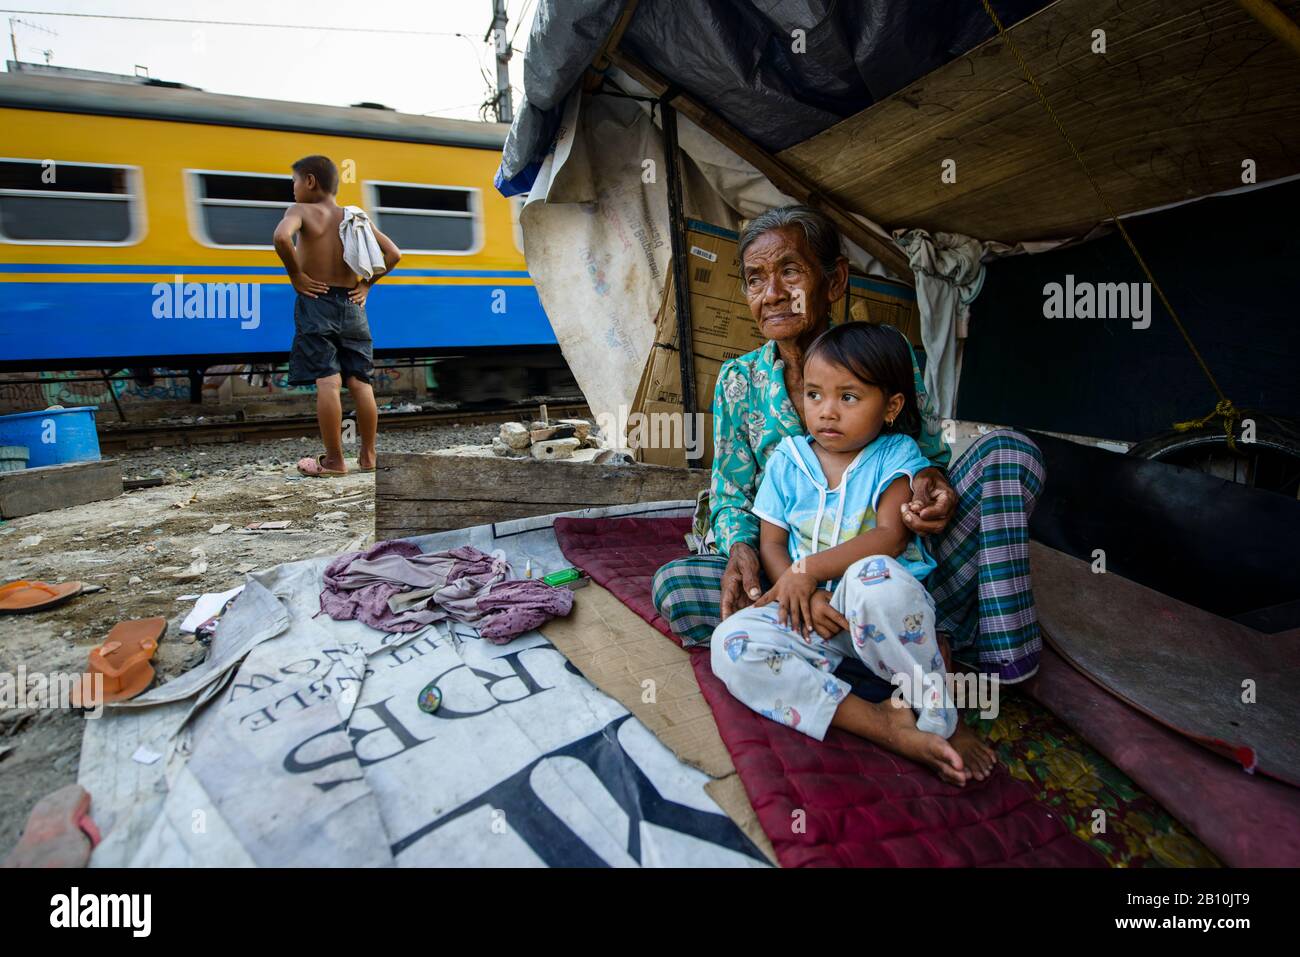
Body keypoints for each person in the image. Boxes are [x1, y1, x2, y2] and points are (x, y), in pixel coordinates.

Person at [653, 205, 1046, 784]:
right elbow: (733, 495)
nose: (773, 293)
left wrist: (931, 491)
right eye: (756, 279)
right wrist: (751, 557)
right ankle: (889, 689)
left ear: (834, 281)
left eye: (791, 271)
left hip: (886, 570)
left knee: (1006, 453)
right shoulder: (739, 381)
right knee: (680, 589)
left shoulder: (890, 354)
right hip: (788, 572)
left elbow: (927, 456)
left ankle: (962, 658)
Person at [711, 321, 965, 782]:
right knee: (730, 644)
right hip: (813, 613)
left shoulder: (896, 455)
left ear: (890, 407)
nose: (826, 412)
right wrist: (802, 593)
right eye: (814, 395)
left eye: (848, 398)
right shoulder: (788, 459)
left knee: (876, 578)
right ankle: (880, 723)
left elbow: (891, 535)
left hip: (877, 616)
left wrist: (808, 571)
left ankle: (937, 715)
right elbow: (770, 541)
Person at [272, 155, 401, 477]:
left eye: (295, 182)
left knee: (328, 383)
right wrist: (367, 285)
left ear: (311, 181)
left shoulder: (300, 211)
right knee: (361, 382)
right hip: (353, 305)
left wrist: (296, 277)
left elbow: (281, 238)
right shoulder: (354, 216)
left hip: (316, 301)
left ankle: (334, 461)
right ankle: (369, 457)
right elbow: (394, 254)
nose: (293, 190)